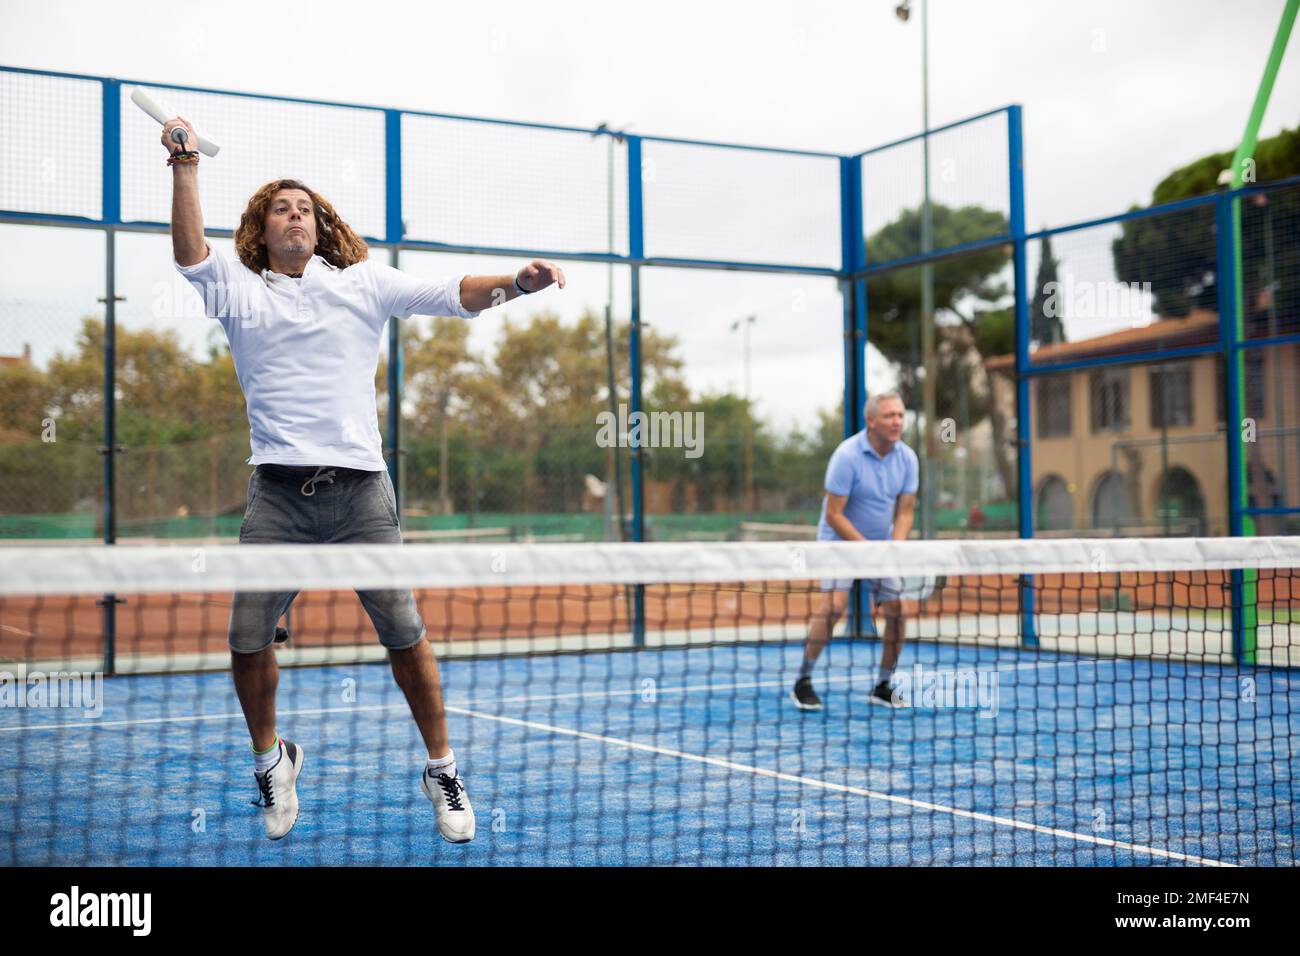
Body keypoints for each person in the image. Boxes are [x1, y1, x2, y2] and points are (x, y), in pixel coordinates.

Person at [163, 116, 566, 844]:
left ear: (321, 229)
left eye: (307, 208)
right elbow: (191, 257)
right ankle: (272, 762)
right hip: (277, 495)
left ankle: (442, 768)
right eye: (282, 207)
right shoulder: (237, 288)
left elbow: (452, 293)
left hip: (361, 496)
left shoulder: (363, 284)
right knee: (246, 639)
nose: (296, 215)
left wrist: (516, 283)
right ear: (260, 226)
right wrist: (184, 167)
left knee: (406, 637)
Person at [791, 392, 918, 710]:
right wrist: (866, 551)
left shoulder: (908, 459)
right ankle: (803, 681)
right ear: (871, 421)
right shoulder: (846, 456)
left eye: (901, 415)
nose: (897, 421)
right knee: (834, 607)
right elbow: (834, 514)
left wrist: (893, 548)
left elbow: (905, 512)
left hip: (881, 544)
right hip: (838, 541)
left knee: (898, 613)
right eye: (890, 415)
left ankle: (883, 684)